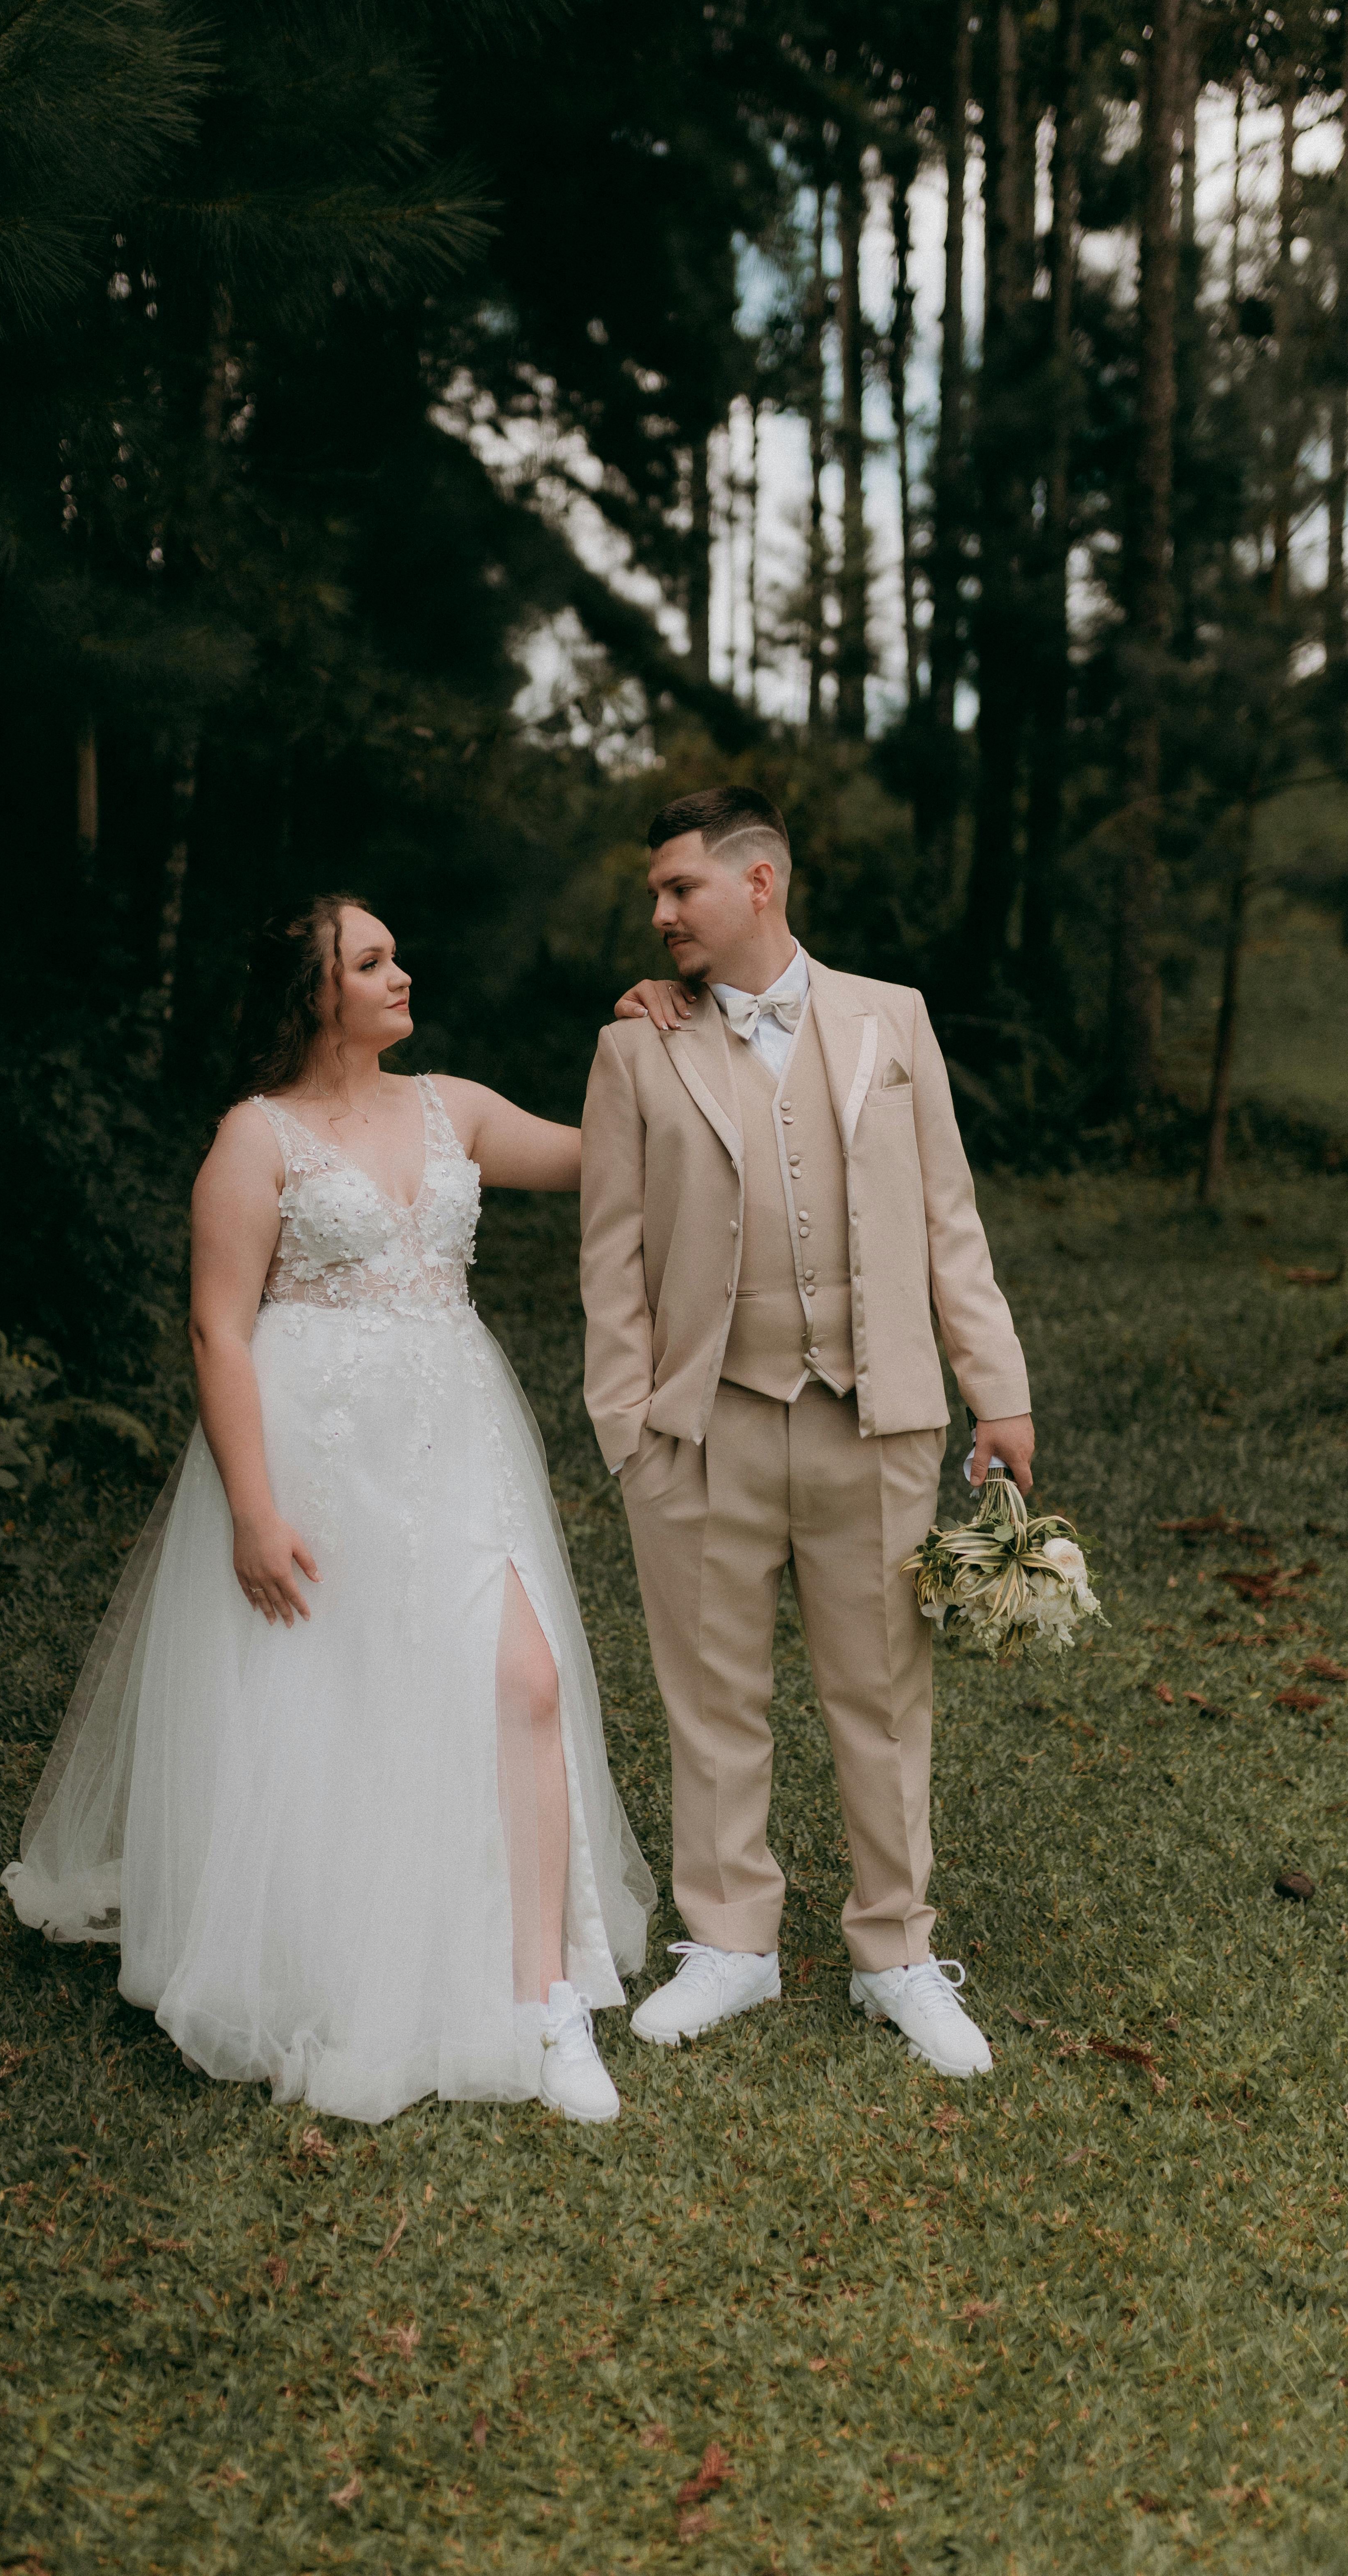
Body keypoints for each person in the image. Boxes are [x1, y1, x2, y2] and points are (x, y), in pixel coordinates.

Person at [4, 895, 654, 2126]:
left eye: (396, 951)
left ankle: (545, 2000)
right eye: (372, 961)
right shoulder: (256, 1139)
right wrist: (252, 1509)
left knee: (526, 1680)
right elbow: (218, 1329)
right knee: (341, 1701)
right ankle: (347, 1950)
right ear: (317, 999)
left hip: (457, 1440)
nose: (402, 971)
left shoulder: (449, 1104)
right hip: (315, 1458)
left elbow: (599, 1154)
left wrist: (642, 1047)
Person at [584, 786, 1034, 2080]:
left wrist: (996, 1388)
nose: (660, 913)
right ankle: (732, 1942)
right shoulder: (636, 1050)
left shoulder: (892, 1021)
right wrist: (628, 1426)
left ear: (760, 882)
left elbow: (951, 1219)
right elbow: (610, 1258)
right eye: (658, 896)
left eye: (681, 890)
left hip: (874, 1413)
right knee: (711, 1693)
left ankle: (896, 1955)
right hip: (701, 1432)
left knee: (886, 1695)